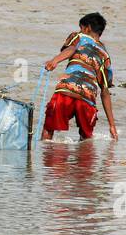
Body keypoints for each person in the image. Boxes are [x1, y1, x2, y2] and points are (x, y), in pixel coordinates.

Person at [41, 12, 118, 142]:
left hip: (67, 90)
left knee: (49, 129)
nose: (80, 30)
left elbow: (71, 49)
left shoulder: (78, 36)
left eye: (81, 27)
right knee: (86, 139)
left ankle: (52, 159)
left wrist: (55, 60)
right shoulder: (105, 56)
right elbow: (105, 92)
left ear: (86, 28)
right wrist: (112, 125)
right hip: (88, 98)